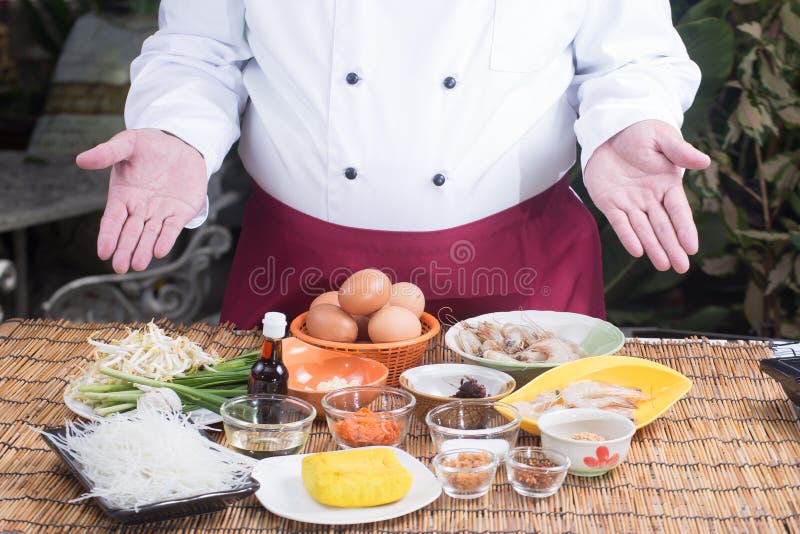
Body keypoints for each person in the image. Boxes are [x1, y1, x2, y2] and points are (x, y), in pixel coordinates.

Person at [76, 1, 710, 329]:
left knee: (536, 486)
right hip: (299, 268)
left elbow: (630, 59)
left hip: (519, 268)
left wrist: (628, 120)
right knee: (275, 476)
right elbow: (196, 49)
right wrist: (175, 131)